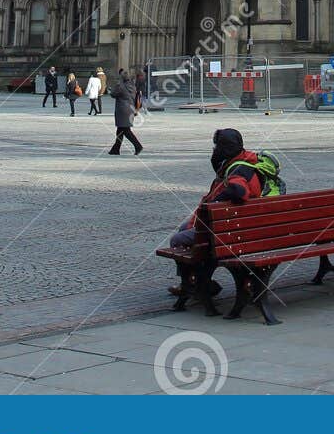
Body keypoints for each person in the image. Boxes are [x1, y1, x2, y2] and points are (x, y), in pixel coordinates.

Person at [167, 127, 282, 292]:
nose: (214, 150)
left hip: (234, 234)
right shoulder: (248, 160)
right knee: (186, 227)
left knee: (177, 240)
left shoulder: (237, 170)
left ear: (223, 149)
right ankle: (196, 280)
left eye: (216, 146)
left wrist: (214, 202)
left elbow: (239, 191)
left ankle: (196, 283)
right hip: (249, 230)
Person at [109, 70, 143, 154]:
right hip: (130, 109)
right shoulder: (133, 86)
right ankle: (115, 149)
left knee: (126, 130)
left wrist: (114, 86)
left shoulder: (121, 86)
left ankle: (138, 146)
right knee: (120, 130)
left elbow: (113, 94)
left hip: (122, 110)